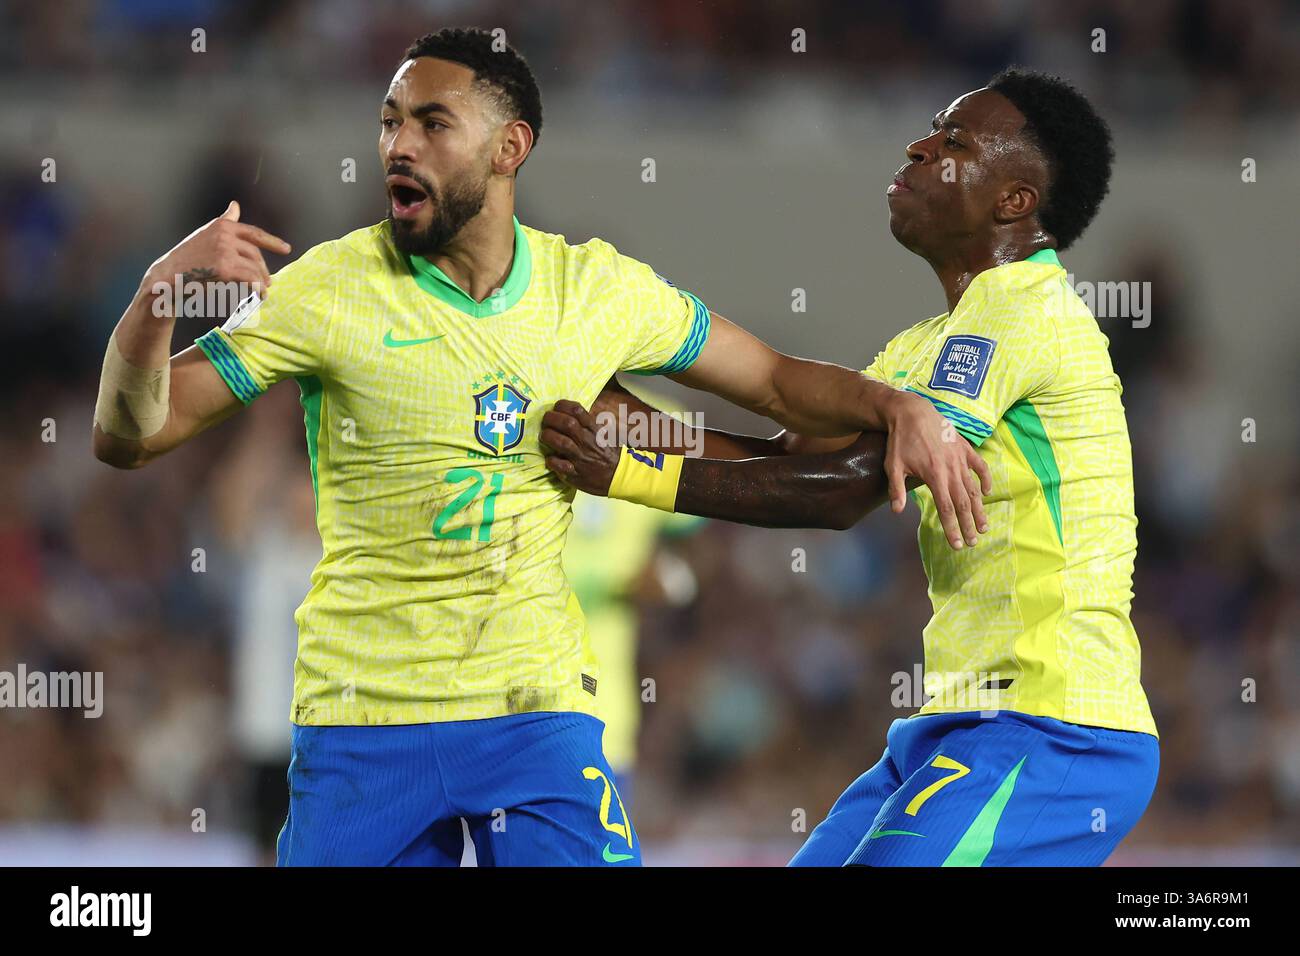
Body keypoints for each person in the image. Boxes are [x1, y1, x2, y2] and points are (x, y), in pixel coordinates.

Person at [91, 28, 983, 867]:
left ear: (509, 148)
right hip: (364, 720)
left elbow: (779, 382)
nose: (399, 145)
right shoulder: (326, 289)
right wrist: (153, 301)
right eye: (389, 123)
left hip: (532, 713)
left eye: (432, 123)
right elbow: (132, 435)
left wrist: (894, 404)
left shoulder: (594, 291)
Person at [543, 68, 1159, 866]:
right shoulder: (926, 346)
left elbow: (842, 493)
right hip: (961, 725)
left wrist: (626, 470)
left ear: (1014, 201)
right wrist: (633, 422)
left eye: (954, 141)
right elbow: (791, 451)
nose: (920, 144)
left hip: (1055, 729)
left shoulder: (1026, 313)